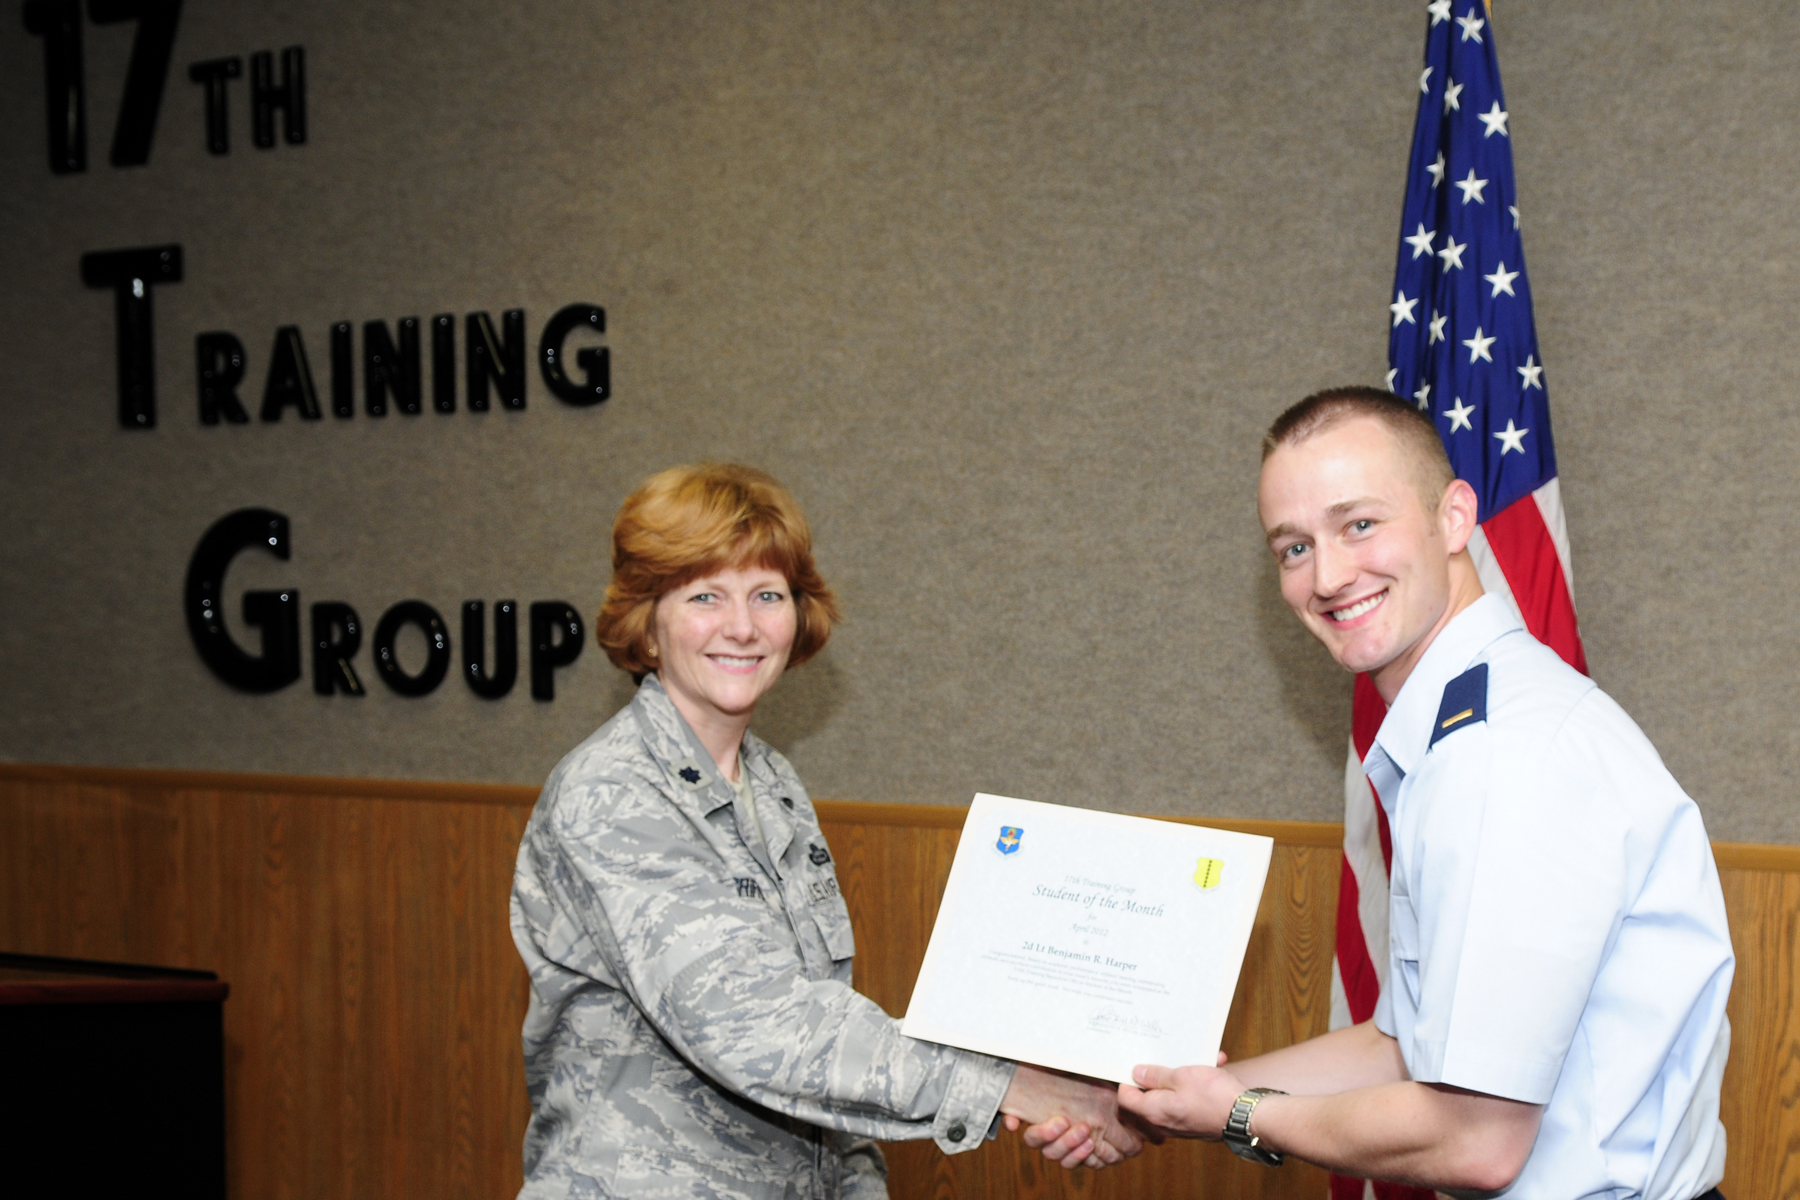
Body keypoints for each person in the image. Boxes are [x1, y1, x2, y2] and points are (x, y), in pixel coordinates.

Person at [1030, 388, 1735, 1197]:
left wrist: (1236, 1112)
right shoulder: (1460, 736)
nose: (1327, 576)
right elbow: (1400, 1046)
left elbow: (1478, 1139)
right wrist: (1165, 1096)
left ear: (1454, 518)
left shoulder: (1504, 757)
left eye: (1359, 524)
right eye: (1293, 548)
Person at [510, 462, 1140, 1200]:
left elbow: (823, 1035)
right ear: (646, 622)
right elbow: (759, 1028)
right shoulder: (612, 793)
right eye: (706, 595)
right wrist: (1013, 1085)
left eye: (767, 595)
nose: (742, 626)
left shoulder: (771, 785)